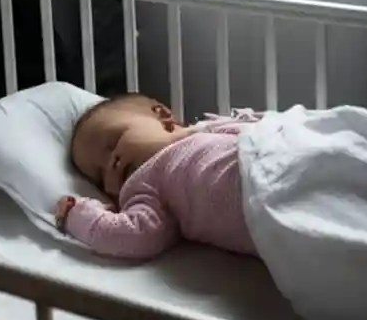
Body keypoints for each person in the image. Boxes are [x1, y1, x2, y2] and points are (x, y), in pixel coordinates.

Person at [55, 94, 260, 258]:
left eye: (114, 143)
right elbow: (130, 235)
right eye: (100, 178)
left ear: (162, 116)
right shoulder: (144, 185)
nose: (111, 167)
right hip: (266, 203)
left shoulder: (207, 129)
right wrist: (77, 215)